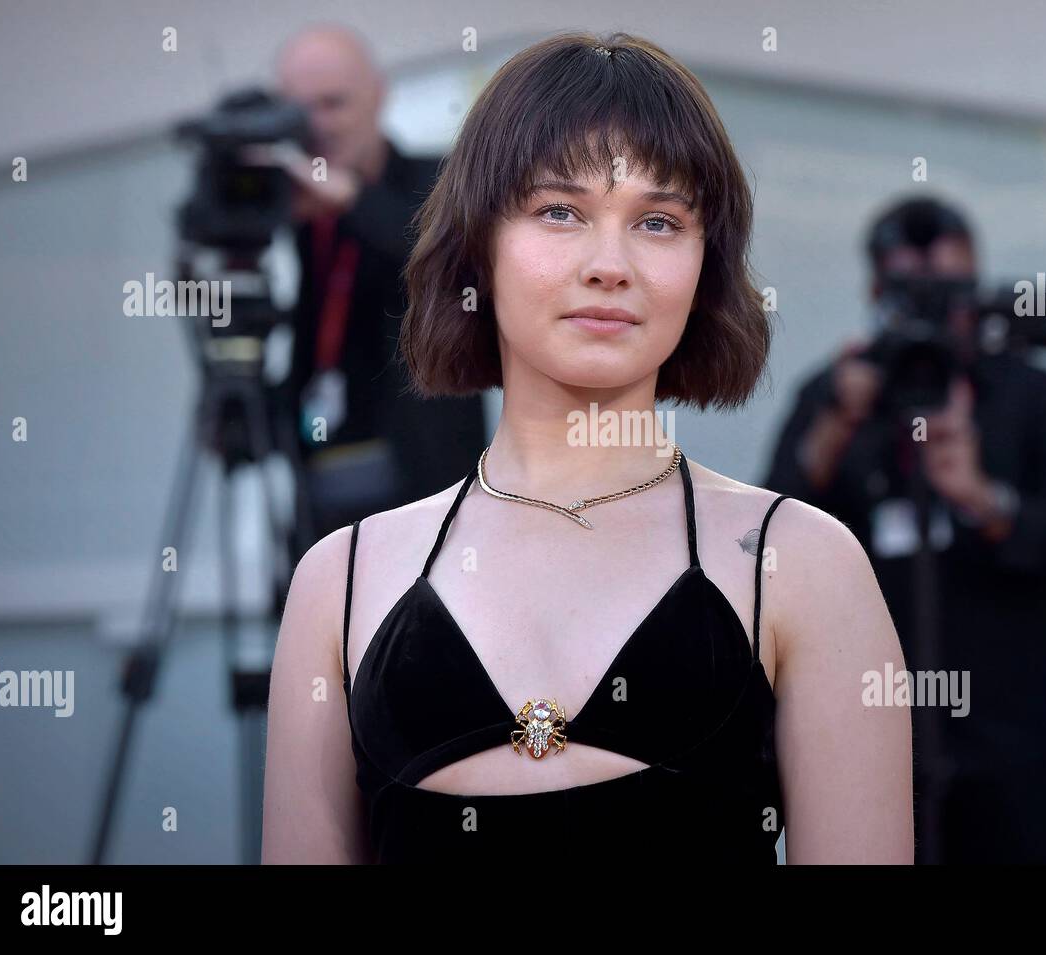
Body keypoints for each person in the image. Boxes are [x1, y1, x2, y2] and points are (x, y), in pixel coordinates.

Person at [261, 31, 913, 864]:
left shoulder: (802, 564)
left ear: (703, 264)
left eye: (658, 220)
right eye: (559, 211)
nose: (610, 264)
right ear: (479, 249)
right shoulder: (341, 581)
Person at [762, 196, 1046, 863]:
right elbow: (769, 544)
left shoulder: (1039, 398)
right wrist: (836, 424)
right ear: (874, 291)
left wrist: (980, 495)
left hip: (1004, 724)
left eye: (946, 290)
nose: (931, 310)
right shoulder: (834, 394)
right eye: (908, 290)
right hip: (859, 721)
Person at [270, 24, 486, 548]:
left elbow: (448, 266)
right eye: (301, 111)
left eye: (333, 104)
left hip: (425, 489)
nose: (317, 126)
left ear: (379, 96)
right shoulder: (293, 211)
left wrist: (350, 200)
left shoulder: (441, 182)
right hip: (319, 487)